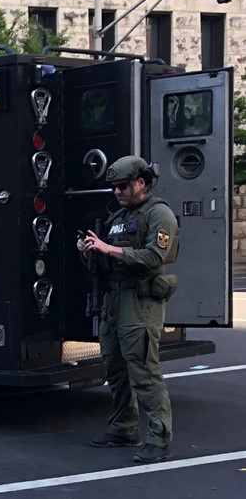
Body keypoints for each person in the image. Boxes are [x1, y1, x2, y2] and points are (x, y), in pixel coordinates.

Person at [78, 155, 178, 464]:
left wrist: (110, 249)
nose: (117, 192)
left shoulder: (159, 215)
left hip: (140, 301)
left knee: (143, 371)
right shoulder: (117, 217)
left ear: (141, 182)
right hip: (114, 302)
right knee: (116, 370)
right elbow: (107, 261)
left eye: (122, 186)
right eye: (113, 187)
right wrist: (91, 251)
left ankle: (159, 439)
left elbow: (153, 258)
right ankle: (123, 428)